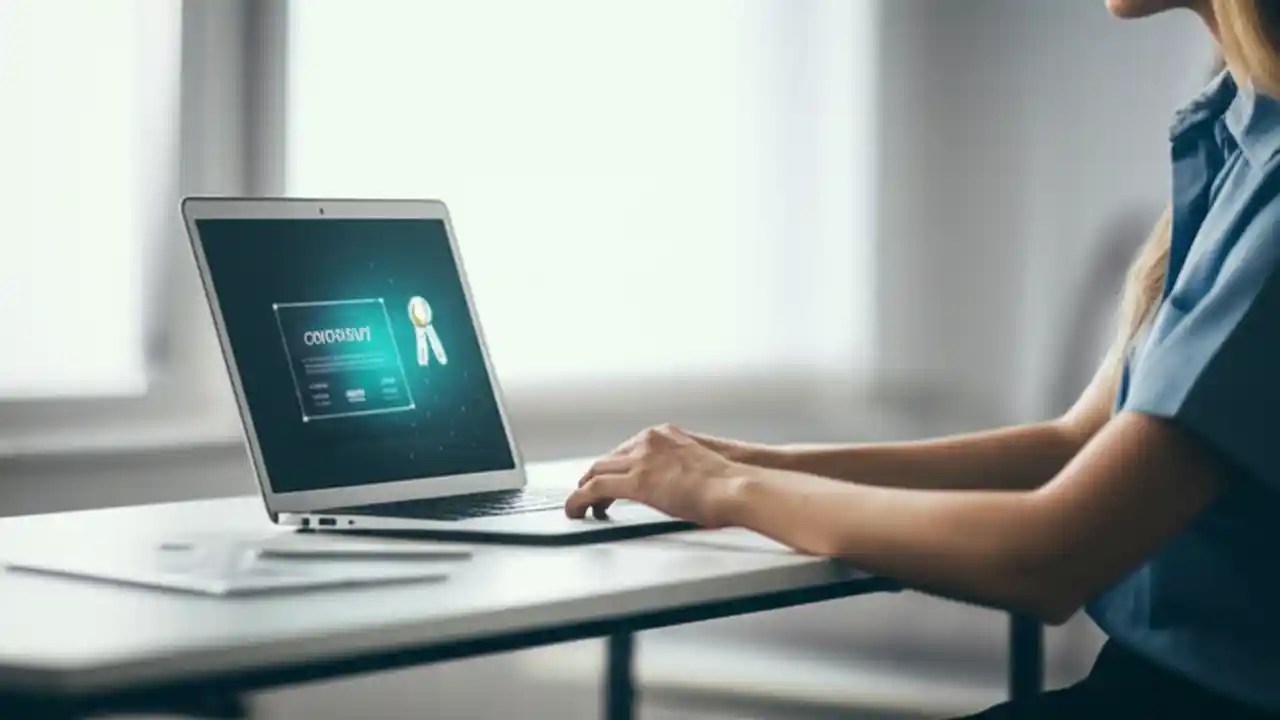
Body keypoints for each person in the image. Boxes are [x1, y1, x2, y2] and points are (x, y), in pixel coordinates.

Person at [564, 0, 1280, 716]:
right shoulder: (1237, 134)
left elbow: (1050, 555)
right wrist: (746, 462)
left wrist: (726, 491)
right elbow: (1075, 445)